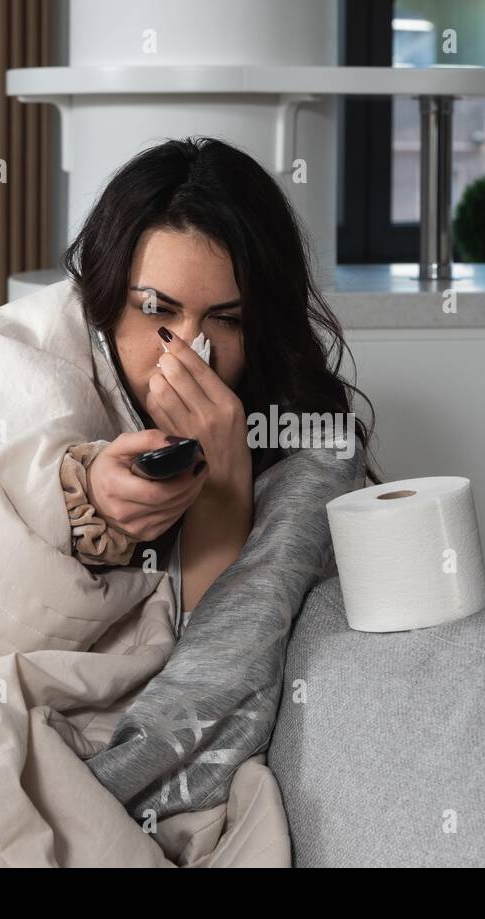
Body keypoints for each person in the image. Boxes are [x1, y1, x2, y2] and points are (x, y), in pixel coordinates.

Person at [58, 135, 381, 630]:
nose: (187, 352)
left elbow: (211, 675)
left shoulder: (309, 451)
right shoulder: (47, 363)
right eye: (156, 310)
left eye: (226, 320)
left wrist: (224, 477)